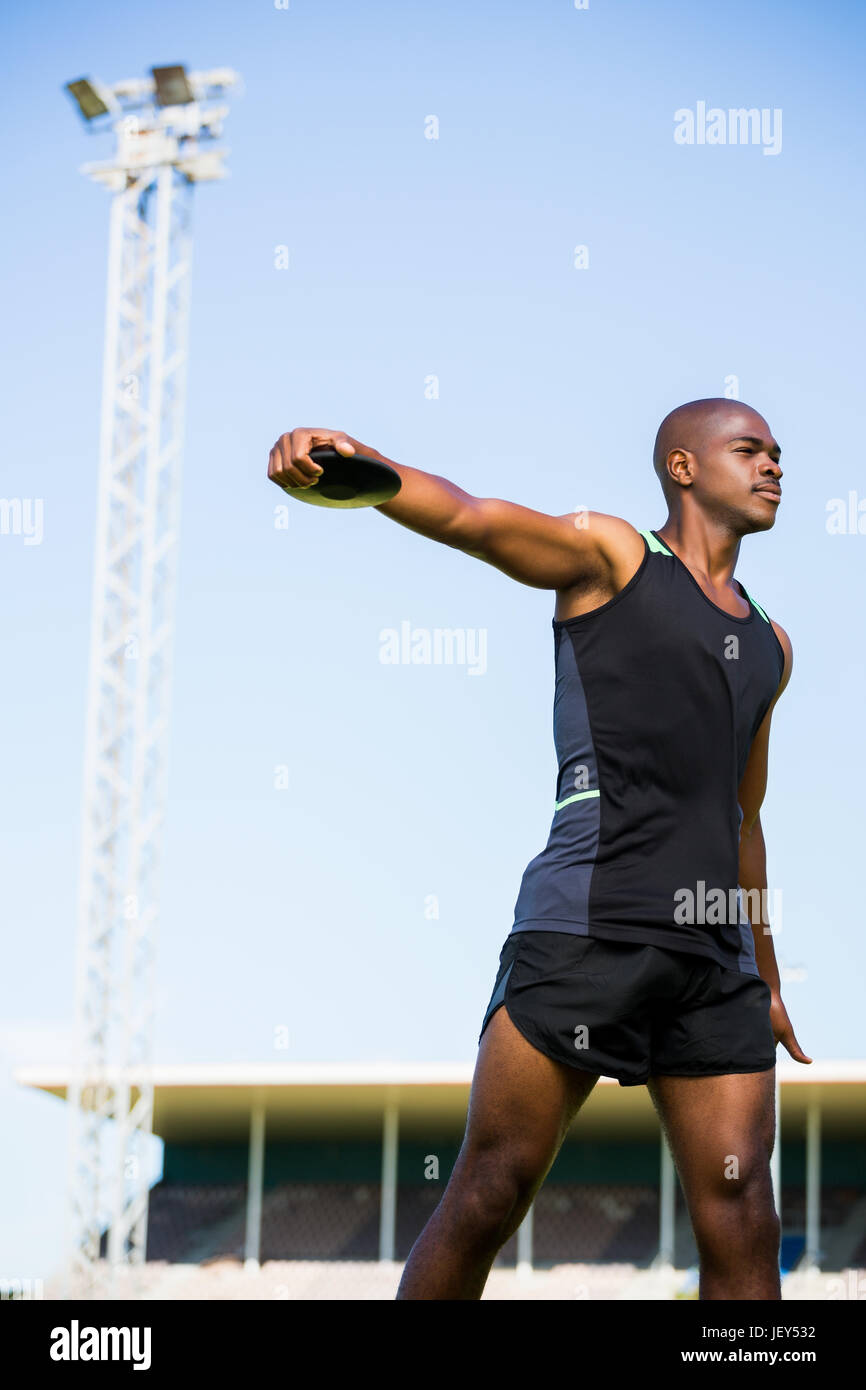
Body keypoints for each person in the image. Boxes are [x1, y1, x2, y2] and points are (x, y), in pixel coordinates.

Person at [267, 398, 811, 1300]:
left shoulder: (772, 646)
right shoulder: (611, 555)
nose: (773, 467)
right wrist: (369, 469)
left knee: (746, 1216)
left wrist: (769, 972)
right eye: (750, 451)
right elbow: (477, 521)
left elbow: (744, 818)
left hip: (716, 964)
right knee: (491, 1187)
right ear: (683, 468)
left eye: (779, 455)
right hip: (586, 929)